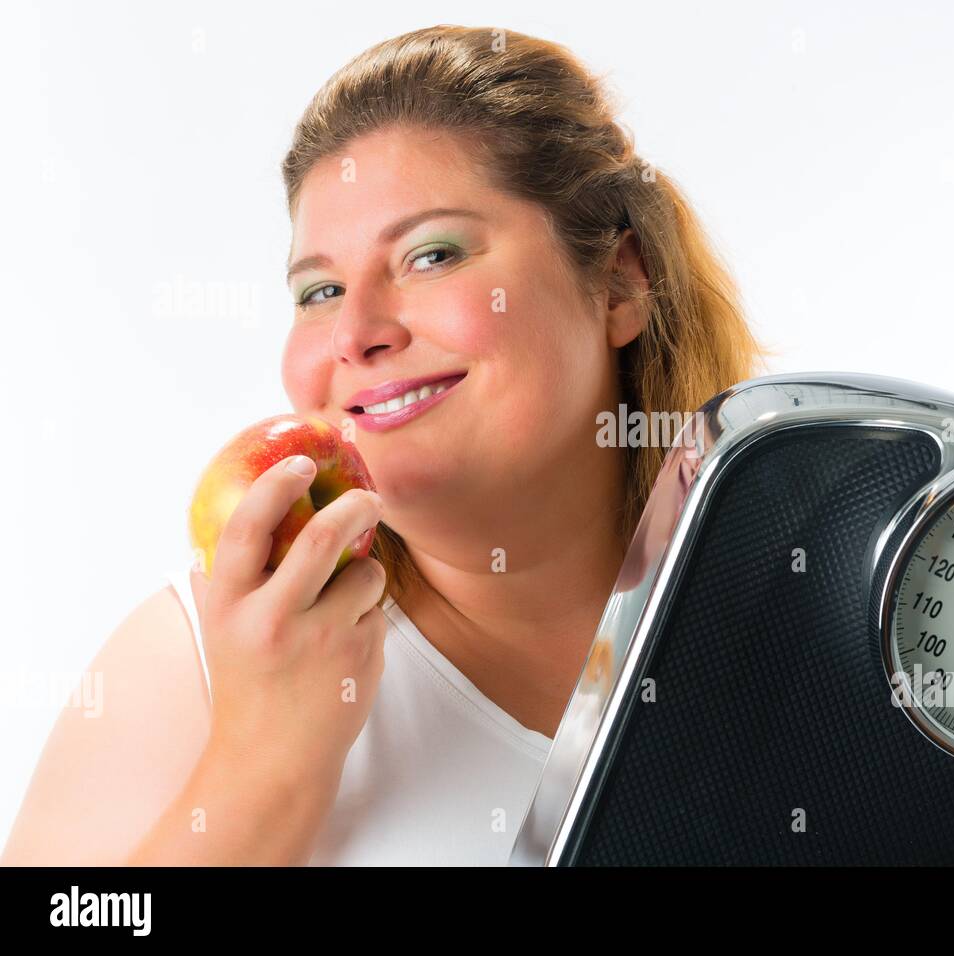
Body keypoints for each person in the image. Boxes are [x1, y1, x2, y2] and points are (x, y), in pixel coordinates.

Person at [0, 24, 765, 866]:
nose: (355, 332)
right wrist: (263, 769)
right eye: (319, 290)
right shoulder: (195, 664)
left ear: (620, 283)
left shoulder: (816, 619)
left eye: (432, 255)